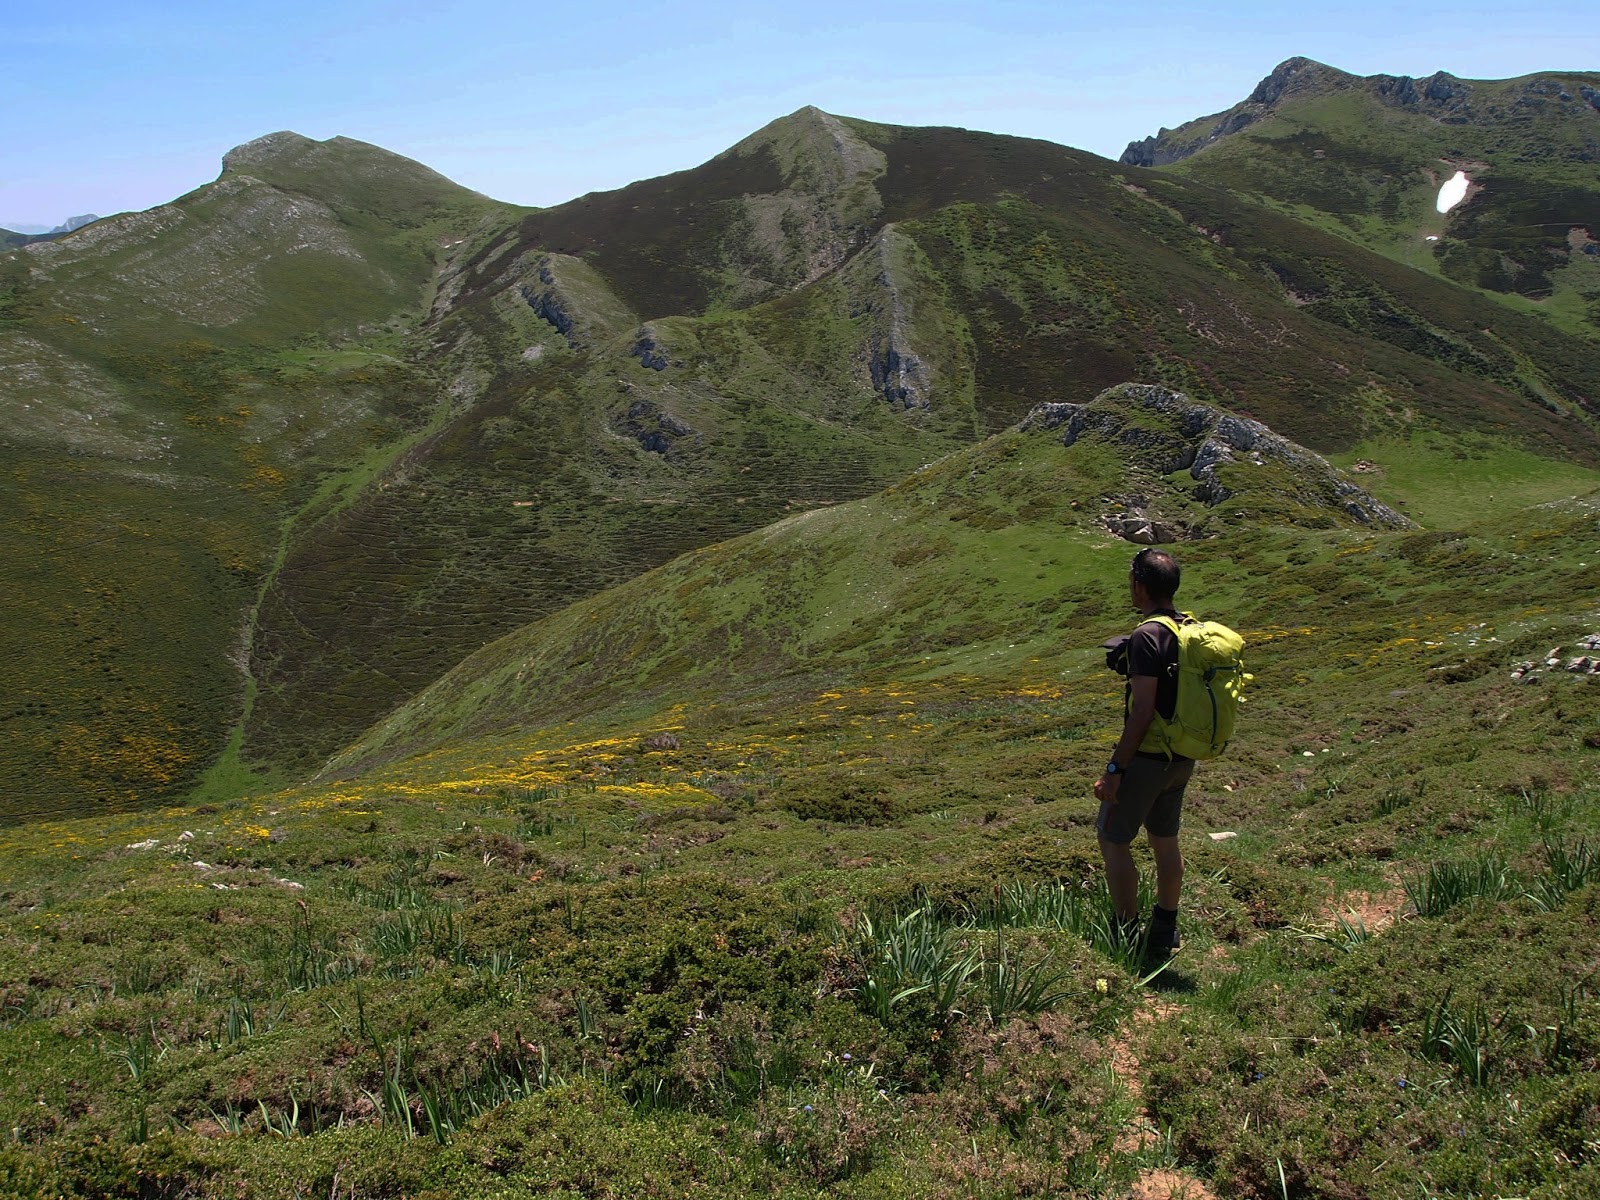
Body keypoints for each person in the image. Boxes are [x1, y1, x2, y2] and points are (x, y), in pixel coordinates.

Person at [1093, 547, 1192, 954]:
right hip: (1182, 756)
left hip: (1148, 759)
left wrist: (1116, 767)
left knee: (1113, 838)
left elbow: (1143, 712)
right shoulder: (1189, 628)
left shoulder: (1147, 636)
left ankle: (1126, 934)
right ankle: (1165, 930)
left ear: (1139, 586)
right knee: (1164, 841)